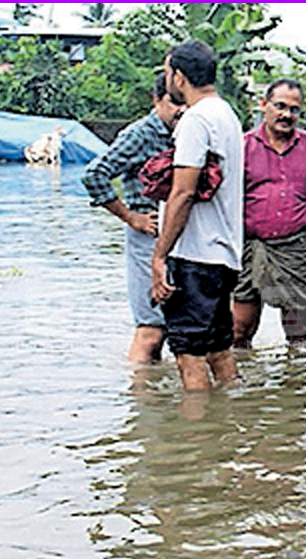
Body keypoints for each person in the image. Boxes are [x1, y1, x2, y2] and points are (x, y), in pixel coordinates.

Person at [151, 41, 245, 391]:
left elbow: (183, 192)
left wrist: (160, 255)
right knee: (219, 349)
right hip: (223, 254)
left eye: (167, 71)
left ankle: (196, 440)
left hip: (194, 257)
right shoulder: (227, 115)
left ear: (178, 76)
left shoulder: (195, 119)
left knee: (189, 358)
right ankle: (233, 424)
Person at [82, 72, 185, 363]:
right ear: (156, 100)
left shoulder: (189, 131)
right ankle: (140, 400)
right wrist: (130, 217)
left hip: (183, 238)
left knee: (182, 328)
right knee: (151, 329)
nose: (181, 109)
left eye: (185, 102)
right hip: (148, 237)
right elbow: (94, 175)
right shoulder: (139, 134)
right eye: (174, 102)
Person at [233, 78, 306, 349]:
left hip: (293, 246)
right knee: (239, 329)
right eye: (280, 106)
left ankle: (296, 383)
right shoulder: (242, 145)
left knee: (297, 334)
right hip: (249, 244)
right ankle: (245, 385)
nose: (286, 115)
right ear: (264, 106)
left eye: (294, 109)